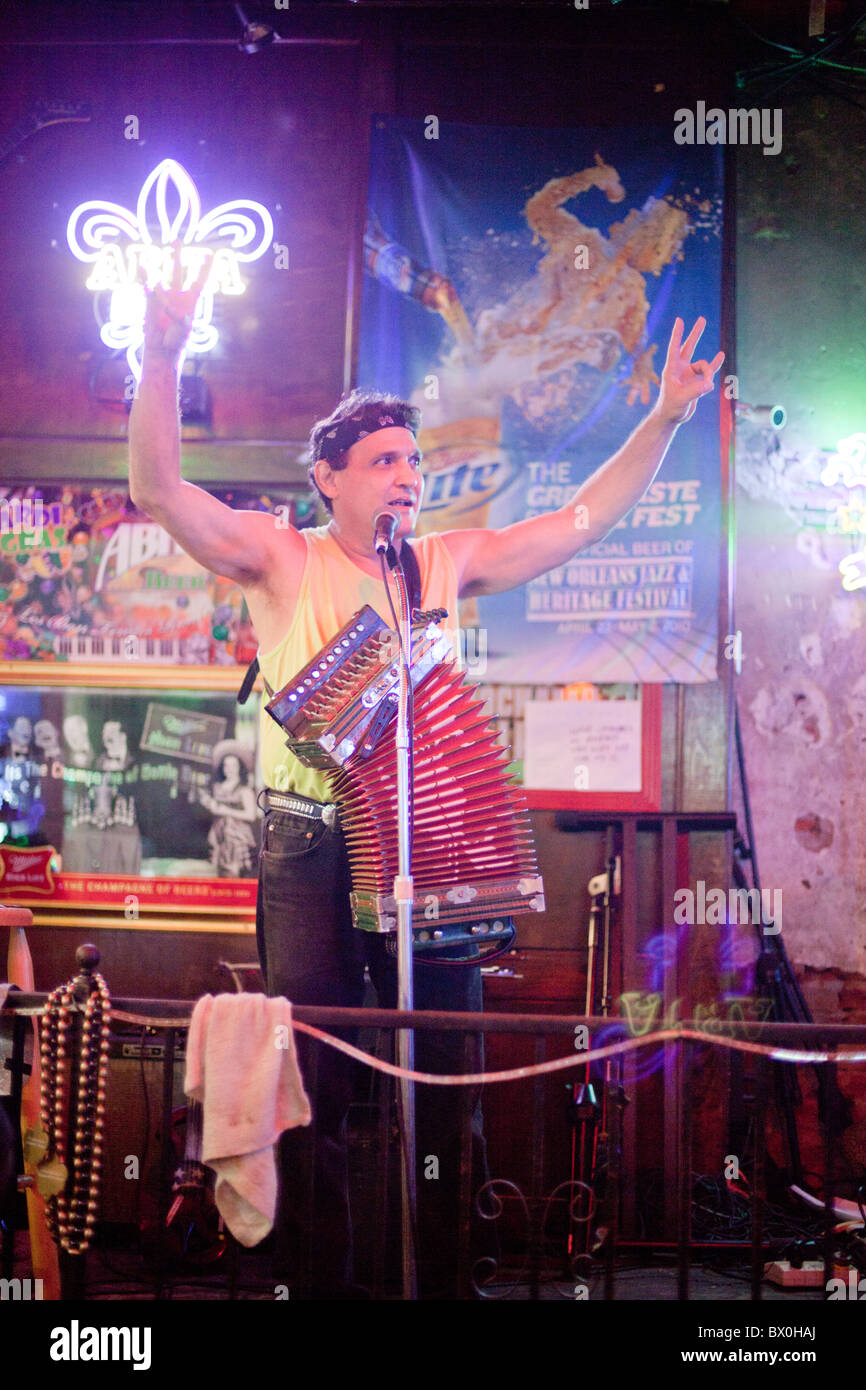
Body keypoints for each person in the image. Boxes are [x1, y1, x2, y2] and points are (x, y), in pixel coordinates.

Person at [128, 251, 723, 1298]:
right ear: (328, 476)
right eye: (384, 459)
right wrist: (163, 348)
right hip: (308, 843)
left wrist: (665, 418)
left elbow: (580, 521)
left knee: (448, 1074)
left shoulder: (440, 561)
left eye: (412, 459)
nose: (407, 473)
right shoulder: (280, 554)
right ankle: (319, 1286)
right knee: (317, 1070)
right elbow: (157, 489)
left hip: (433, 846)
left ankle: (449, 1283)